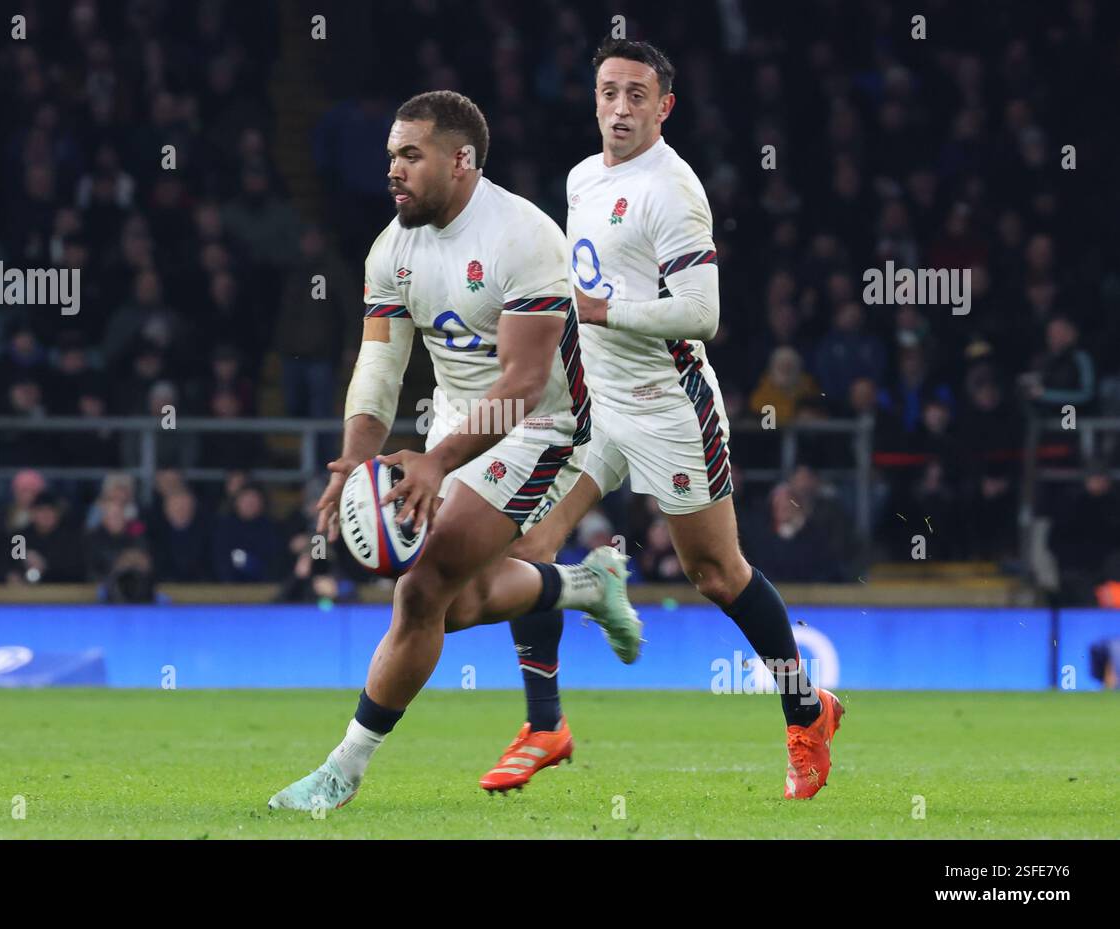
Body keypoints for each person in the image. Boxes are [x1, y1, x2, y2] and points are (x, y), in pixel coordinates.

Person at [474, 40, 844, 799]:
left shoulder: (673, 190)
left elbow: (703, 314)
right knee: (528, 547)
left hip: (671, 407)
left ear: (663, 107)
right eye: (609, 91)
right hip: (595, 408)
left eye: (637, 95)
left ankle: (805, 710)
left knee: (716, 574)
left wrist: (606, 311)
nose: (619, 106)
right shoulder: (581, 178)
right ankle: (545, 725)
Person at [269, 91, 640, 813]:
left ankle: (341, 772)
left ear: (461, 160)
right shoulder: (392, 250)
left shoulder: (524, 237)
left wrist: (436, 463)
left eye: (410, 155)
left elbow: (526, 383)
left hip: (544, 427)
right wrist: (353, 460)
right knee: (459, 598)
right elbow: (378, 369)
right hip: (454, 426)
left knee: (419, 590)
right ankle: (586, 587)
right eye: (390, 157)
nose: (393, 171)